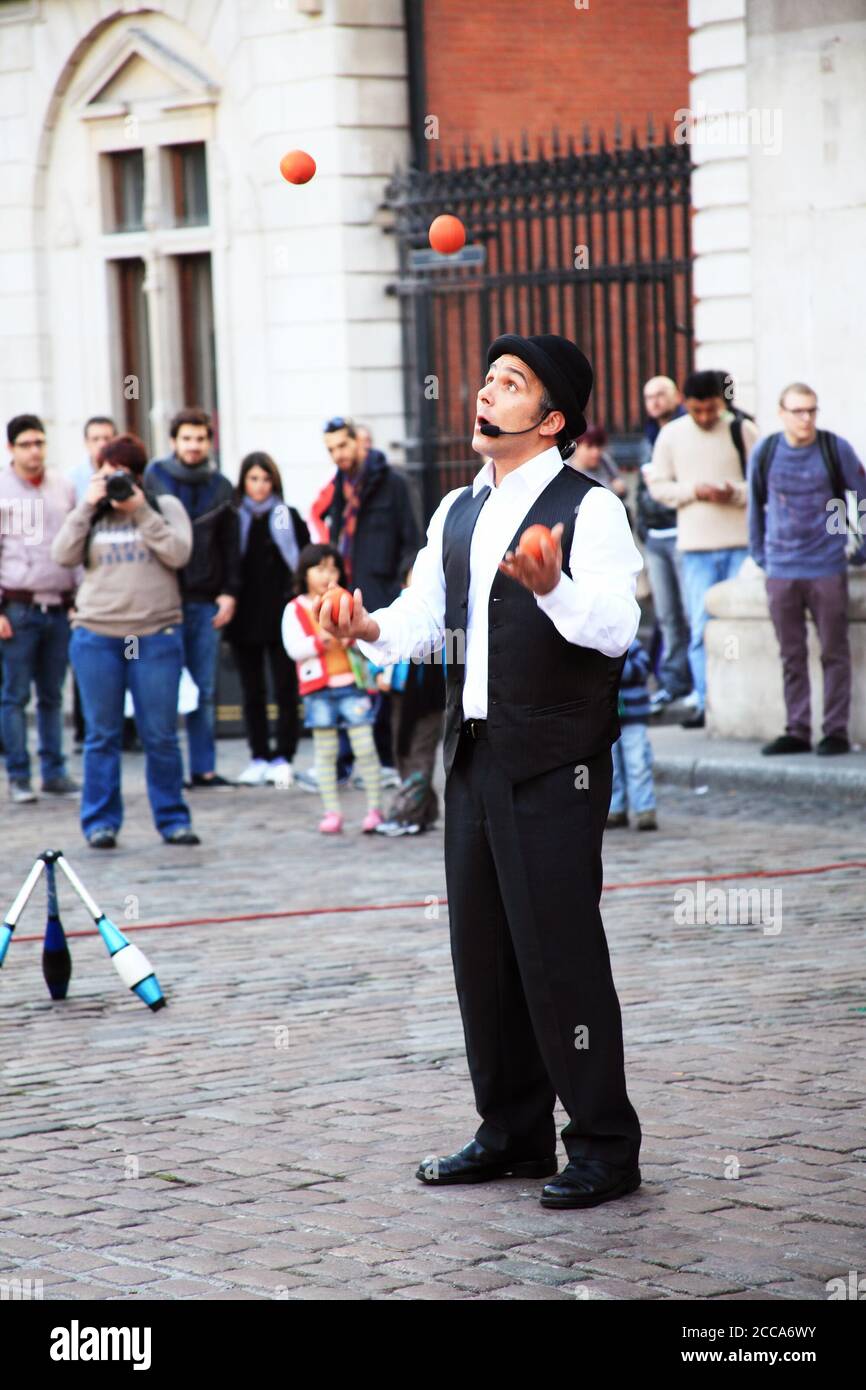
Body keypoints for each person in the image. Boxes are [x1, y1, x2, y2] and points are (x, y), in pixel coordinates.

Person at [320, 332, 644, 1210]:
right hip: (473, 755)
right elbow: (426, 619)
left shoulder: (592, 508)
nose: (486, 393)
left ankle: (606, 1144)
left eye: (510, 384)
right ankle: (511, 1133)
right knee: (485, 957)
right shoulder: (458, 508)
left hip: (555, 762)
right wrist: (364, 629)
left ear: (551, 420)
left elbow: (618, 628)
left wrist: (553, 588)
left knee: (559, 953)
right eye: (488, 380)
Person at [51, 434, 198, 848]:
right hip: (98, 635)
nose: (114, 482)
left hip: (155, 635)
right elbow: (61, 555)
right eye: (105, 473)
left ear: (138, 476)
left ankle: (172, 820)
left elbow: (178, 553)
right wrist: (86, 505)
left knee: (161, 735)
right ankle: (100, 823)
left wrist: (140, 511)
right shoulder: (91, 514)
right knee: (102, 735)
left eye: (122, 474)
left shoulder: (164, 507)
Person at [749, 382, 866, 757]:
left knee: (834, 651)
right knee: (791, 653)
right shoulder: (766, 451)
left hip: (826, 567)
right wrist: (761, 555)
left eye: (812, 411)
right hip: (781, 568)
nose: (806, 419)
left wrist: (863, 546)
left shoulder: (835, 448)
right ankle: (797, 729)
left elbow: (861, 496)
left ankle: (835, 731)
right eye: (798, 411)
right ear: (781, 413)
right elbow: (754, 505)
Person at [645, 370, 758, 728]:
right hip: (695, 548)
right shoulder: (671, 435)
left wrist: (734, 493)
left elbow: (763, 482)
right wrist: (696, 491)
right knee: (701, 627)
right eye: (696, 411)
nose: (705, 418)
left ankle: (742, 701)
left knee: (742, 628)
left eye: (711, 410)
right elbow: (659, 487)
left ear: (721, 403)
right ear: (686, 405)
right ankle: (708, 703)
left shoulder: (743, 429)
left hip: (740, 544)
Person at [319, 416, 420, 775]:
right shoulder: (340, 486)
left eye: (343, 446)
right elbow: (337, 545)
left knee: (385, 688)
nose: (338, 455)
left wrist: (406, 585)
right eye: (331, 449)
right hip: (351, 595)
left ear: (360, 442)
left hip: (385, 598)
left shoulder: (393, 483)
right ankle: (356, 762)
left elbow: (412, 540)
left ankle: (389, 763)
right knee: (353, 685)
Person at [144, 409, 240, 787]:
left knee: (204, 687)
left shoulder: (221, 485)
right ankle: (168, 771)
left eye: (200, 438)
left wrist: (230, 593)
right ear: (173, 442)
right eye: (187, 438)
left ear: (208, 441)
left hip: (206, 600)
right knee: (164, 688)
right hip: (164, 601)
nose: (194, 445)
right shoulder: (155, 478)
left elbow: (232, 546)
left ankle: (204, 768)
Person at [0, 414, 79, 803]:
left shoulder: (62, 486)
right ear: (11, 448)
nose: (35, 451)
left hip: (60, 606)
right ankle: (18, 774)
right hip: (18, 606)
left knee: (53, 694)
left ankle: (54, 771)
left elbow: (78, 542)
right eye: (27, 444)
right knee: (15, 695)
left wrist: (81, 598)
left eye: (40, 443)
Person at [281, 543, 383, 834]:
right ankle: (331, 812)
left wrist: (354, 638)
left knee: (366, 748)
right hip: (318, 690)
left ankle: (375, 809)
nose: (327, 574)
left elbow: (366, 639)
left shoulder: (346, 601)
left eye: (333, 567)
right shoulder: (295, 608)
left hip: (352, 685)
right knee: (325, 753)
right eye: (320, 568)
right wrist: (323, 640)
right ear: (304, 573)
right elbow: (292, 648)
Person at [227, 452, 309, 786]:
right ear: (243, 482)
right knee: (252, 690)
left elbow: (303, 562)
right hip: (244, 616)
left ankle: (283, 756)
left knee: (285, 689)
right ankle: (258, 755)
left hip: (282, 616)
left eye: (265, 479)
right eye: (253, 479)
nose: (259, 486)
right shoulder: (234, 518)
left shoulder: (286, 516)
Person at [371, 565, 446, 837]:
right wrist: (377, 673)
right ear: (404, 583)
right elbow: (383, 640)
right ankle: (425, 811)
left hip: (432, 696)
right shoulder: (401, 609)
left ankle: (406, 814)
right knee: (401, 751)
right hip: (401, 695)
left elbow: (456, 655)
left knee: (420, 753)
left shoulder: (444, 612)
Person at [635, 377, 692, 711]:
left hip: (683, 533)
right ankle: (673, 684)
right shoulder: (647, 436)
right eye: (648, 396)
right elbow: (644, 489)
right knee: (667, 615)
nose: (654, 402)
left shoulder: (686, 431)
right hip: (655, 538)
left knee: (689, 612)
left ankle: (699, 686)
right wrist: (643, 526)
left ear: (677, 397)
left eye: (660, 395)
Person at [606, 637, 657, 831]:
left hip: (634, 715)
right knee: (612, 767)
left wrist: (617, 665)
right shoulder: (594, 642)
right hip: (607, 717)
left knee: (638, 763)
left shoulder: (630, 642)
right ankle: (614, 809)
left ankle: (645, 808)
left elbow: (644, 667)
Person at [570, 426, 627, 498]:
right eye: (589, 447)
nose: (595, 452)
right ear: (576, 447)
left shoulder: (604, 460)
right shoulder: (566, 471)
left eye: (599, 446)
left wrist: (621, 488)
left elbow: (620, 483)